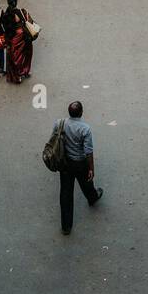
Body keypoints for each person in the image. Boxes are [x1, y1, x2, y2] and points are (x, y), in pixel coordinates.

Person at [57, 100, 102, 235]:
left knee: (65, 193)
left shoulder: (60, 123)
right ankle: (93, 198)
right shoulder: (85, 129)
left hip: (65, 163)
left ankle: (66, 226)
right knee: (87, 183)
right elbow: (88, 151)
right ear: (81, 113)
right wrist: (91, 169)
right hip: (80, 163)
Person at [3, 0, 34, 83]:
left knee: (15, 58)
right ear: (16, 2)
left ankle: (17, 76)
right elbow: (29, 22)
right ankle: (25, 71)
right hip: (23, 38)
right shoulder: (21, 12)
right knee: (26, 55)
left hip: (12, 40)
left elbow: (6, 27)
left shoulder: (6, 14)